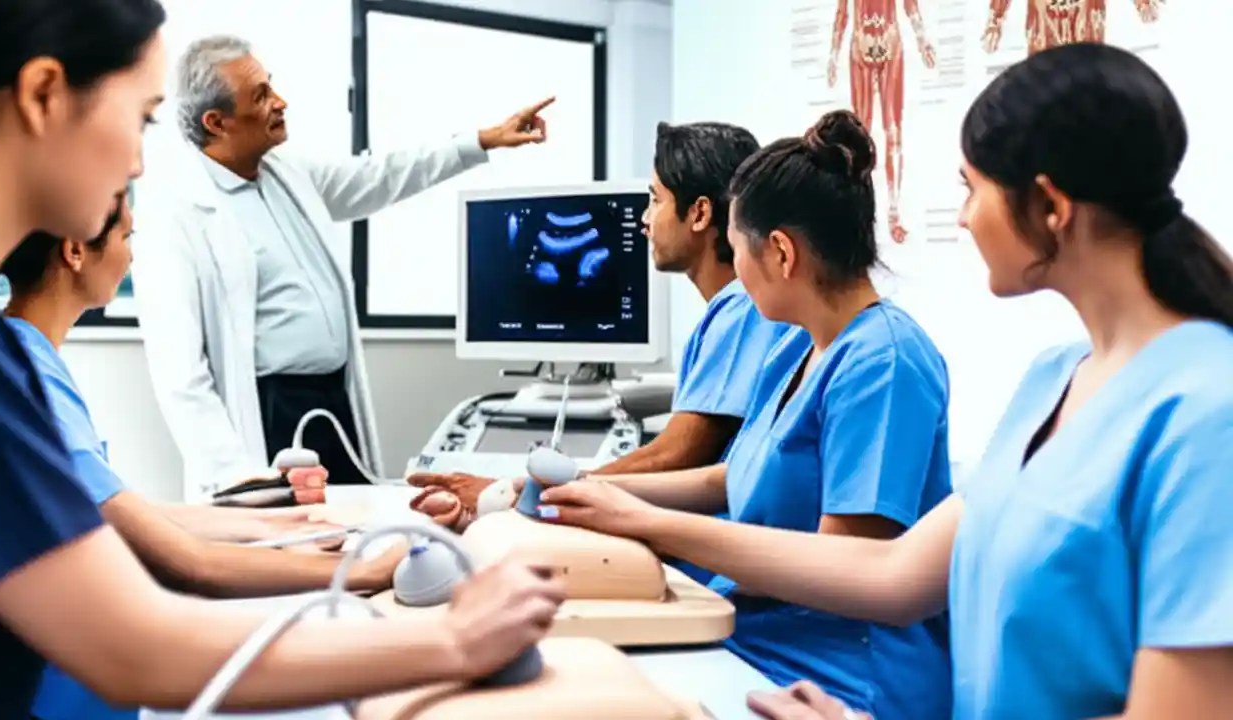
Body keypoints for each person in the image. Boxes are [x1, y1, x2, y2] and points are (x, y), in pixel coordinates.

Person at [552, 44, 1233, 720]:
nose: (964, 217)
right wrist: (639, 517)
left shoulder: (1205, 411)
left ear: (1050, 207)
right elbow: (896, 573)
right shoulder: (1054, 379)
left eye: (972, 188)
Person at [0, 2, 562, 717]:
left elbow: (120, 529)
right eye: (142, 116)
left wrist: (284, 527)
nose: (139, 162)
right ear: (44, 96)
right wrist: (457, 638)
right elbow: (137, 646)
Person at [537, 110, 954, 720]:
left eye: (737, 248)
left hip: (840, 671)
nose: (732, 270)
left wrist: (644, 523)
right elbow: (727, 479)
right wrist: (588, 490)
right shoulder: (797, 345)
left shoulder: (885, 362)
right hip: (761, 634)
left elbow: (847, 569)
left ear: (781, 253)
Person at [0, 195, 418, 719]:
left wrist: (274, 520)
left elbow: (118, 508)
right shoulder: (27, 375)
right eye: (127, 238)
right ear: (75, 252)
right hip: (84, 687)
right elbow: (188, 566)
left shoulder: (23, 353)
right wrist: (366, 573)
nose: (132, 256)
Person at [133, 34, 557, 502]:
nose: (280, 102)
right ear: (216, 122)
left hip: (333, 400)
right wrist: (232, 471)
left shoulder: (287, 174)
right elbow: (179, 373)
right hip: (268, 414)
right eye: (261, 96)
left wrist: (481, 142)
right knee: (289, 554)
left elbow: (381, 176)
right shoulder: (176, 214)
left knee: (353, 536)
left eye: (271, 86)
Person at [407, 121, 793, 531]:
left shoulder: (742, 310)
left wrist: (518, 493)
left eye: (654, 199)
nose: (644, 219)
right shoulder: (732, 313)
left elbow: (677, 455)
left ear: (698, 213)